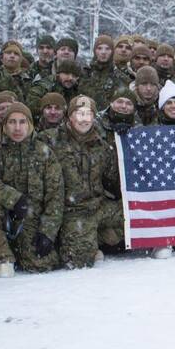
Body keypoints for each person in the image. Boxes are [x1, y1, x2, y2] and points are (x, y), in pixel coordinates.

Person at [0, 102, 64, 277]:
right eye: (12, 122)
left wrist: (48, 231)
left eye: (22, 122)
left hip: (30, 217)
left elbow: (56, 195)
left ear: (30, 125)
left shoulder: (43, 153)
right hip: (2, 214)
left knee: (39, 263)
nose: (17, 128)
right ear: (4, 125)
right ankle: (3, 258)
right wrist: (13, 199)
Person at [44, 96, 132, 267]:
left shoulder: (101, 144)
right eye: (79, 113)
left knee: (139, 214)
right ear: (70, 116)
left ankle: (96, 237)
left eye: (88, 114)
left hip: (99, 206)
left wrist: (122, 142)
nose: (84, 119)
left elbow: (113, 181)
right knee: (78, 261)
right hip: (73, 211)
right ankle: (85, 239)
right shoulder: (50, 140)